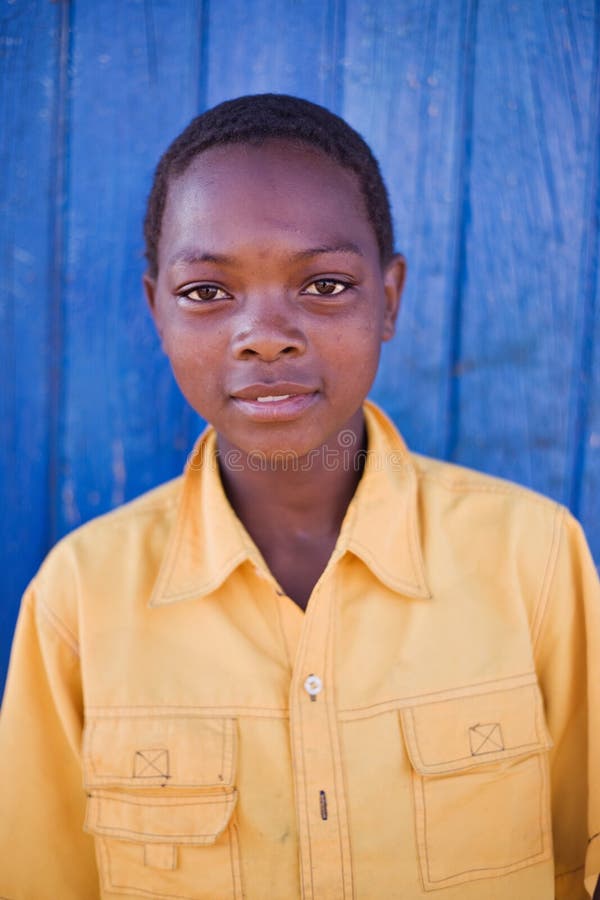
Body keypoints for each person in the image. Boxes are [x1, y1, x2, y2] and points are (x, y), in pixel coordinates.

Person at [0, 93, 598, 900]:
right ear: (156, 312)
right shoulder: (81, 597)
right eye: (207, 293)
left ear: (389, 298)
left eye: (323, 284)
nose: (266, 333)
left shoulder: (534, 560)